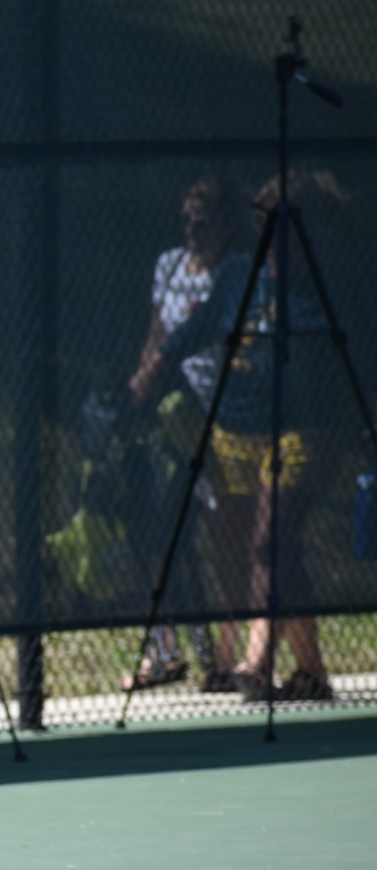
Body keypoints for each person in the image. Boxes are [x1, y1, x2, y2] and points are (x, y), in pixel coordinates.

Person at [131, 170, 346, 702]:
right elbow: (184, 338)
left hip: (301, 432)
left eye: (283, 224)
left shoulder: (326, 284)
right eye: (263, 222)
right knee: (269, 554)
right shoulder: (239, 279)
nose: (271, 233)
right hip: (233, 433)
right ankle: (313, 673)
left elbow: (357, 355)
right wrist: (143, 383)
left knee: (268, 541)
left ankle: (256, 662)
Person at [120, 175, 248, 693]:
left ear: (225, 224)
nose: (192, 230)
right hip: (175, 423)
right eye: (185, 219)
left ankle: (224, 658)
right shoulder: (168, 264)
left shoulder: (236, 274)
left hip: (230, 419)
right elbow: (157, 336)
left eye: (203, 221)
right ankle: (166, 652)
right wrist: (136, 392)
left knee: (227, 542)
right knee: (157, 531)